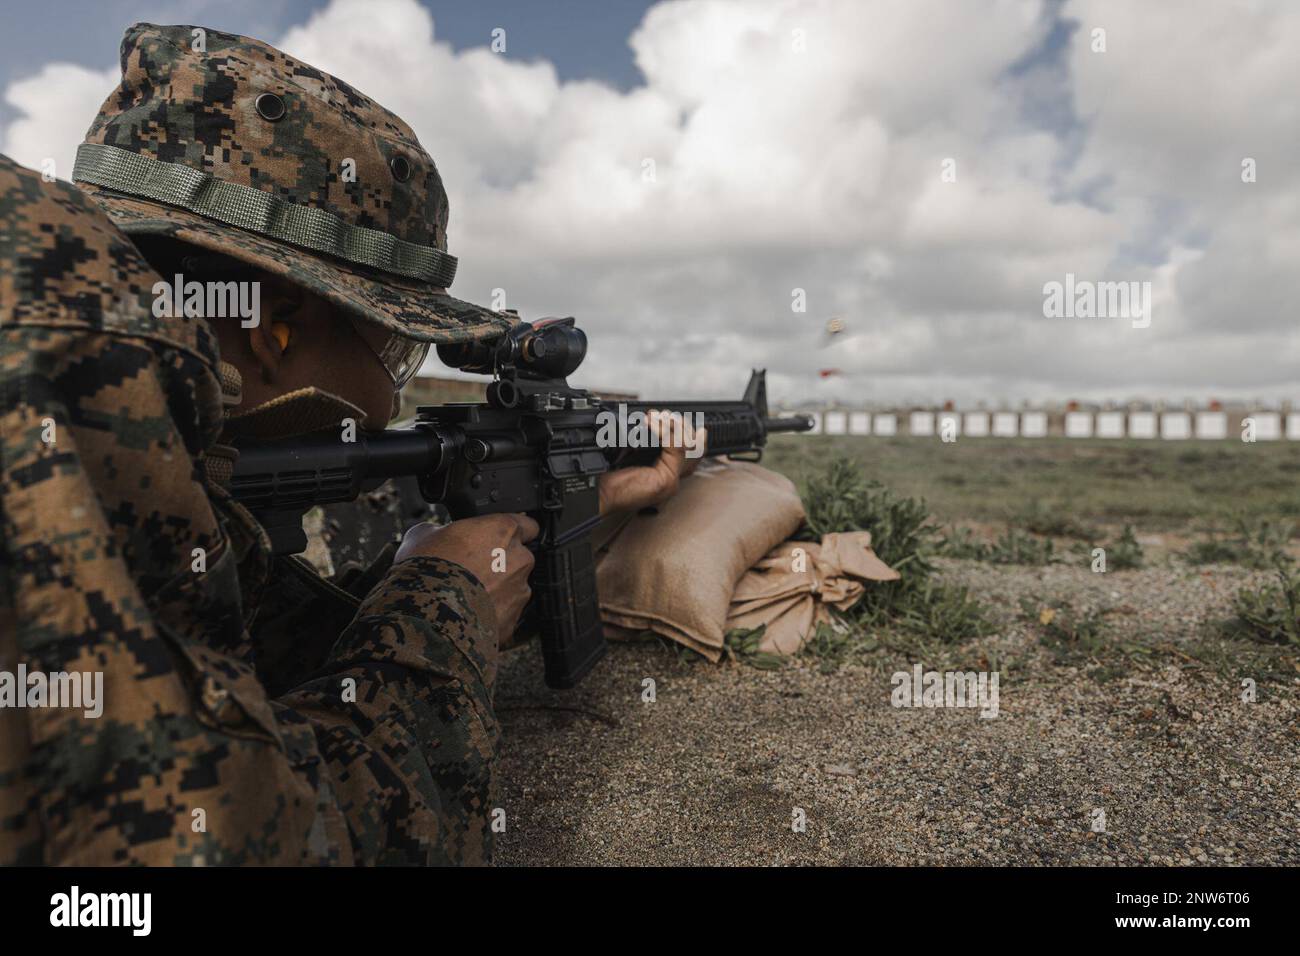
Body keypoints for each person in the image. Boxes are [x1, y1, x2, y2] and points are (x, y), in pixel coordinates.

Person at [0, 22, 693, 866]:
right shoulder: (63, 336)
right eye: (397, 346)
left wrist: (560, 523)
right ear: (274, 331)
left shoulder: (66, 321)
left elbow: (225, 645)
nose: (391, 392)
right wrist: (447, 601)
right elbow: (240, 844)